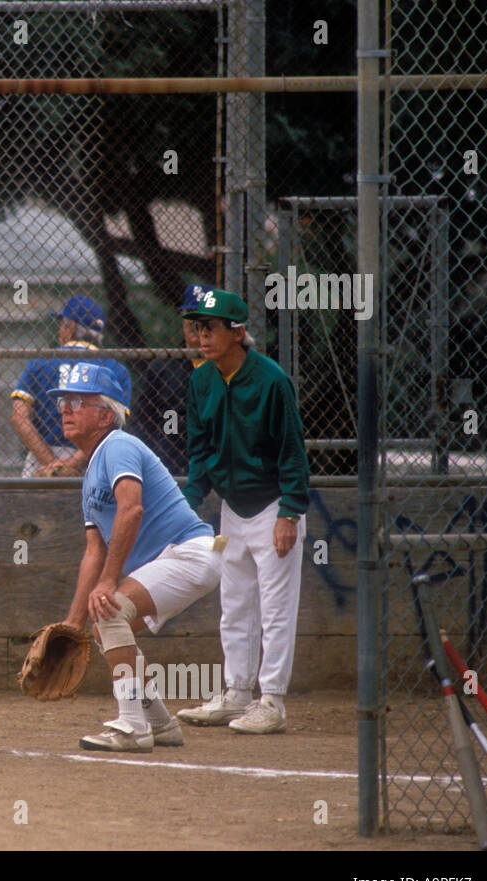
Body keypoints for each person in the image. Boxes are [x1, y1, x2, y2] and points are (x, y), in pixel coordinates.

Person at [52, 361, 223, 752]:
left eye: (78, 401)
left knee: (110, 610)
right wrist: (72, 624)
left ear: (106, 413)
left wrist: (109, 584)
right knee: (102, 624)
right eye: (64, 401)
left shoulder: (118, 445)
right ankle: (161, 724)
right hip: (178, 558)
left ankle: (132, 726)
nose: (65, 408)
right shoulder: (94, 467)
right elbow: (94, 552)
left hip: (189, 552)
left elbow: (132, 510)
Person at [176, 289, 309, 735]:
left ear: (237, 332)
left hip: (273, 505)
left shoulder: (271, 380)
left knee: (275, 609)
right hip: (232, 508)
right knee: (233, 605)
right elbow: (200, 451)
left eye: (211, 327)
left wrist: (290, 512)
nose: (202, 335)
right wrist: (187, 502)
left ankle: (271, 700)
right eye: (198, 327)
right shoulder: (201, 381)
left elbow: (292, 450)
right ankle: (236, 693)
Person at [10, 295, 107, 478]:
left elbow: (19, 417)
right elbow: (111, 424)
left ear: (69, 327)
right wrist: (71, 464)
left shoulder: (41, 362)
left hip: (41, 459)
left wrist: (52, 465)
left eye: (61, 324)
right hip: (91, 459)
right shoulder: (111, 367)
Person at [132, 284, 213, 475]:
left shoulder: (228, 369)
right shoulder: (163, 367)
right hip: (170, 473)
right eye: (190, 315)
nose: (195, 323)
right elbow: (141, 423)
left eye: (202, 318)